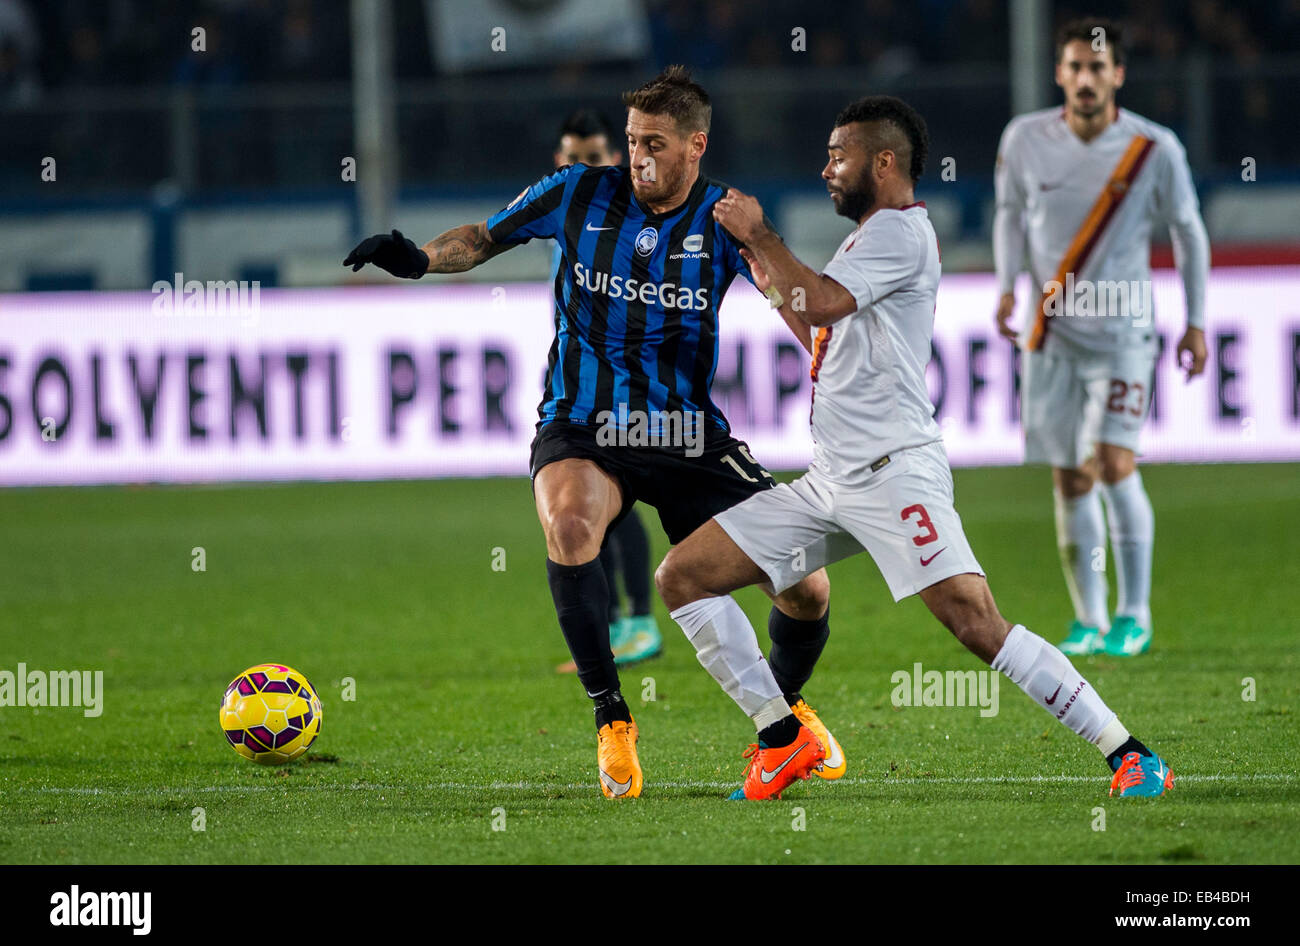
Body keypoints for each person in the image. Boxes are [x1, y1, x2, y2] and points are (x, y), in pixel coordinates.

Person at [655, 94, 1175, 802]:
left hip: (894, 474)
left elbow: (828, 302)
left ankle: (1130, 752)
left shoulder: (900, 231)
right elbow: (822, 331)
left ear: (885, 161)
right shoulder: (865, 239)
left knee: (974, 621)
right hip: (830, 479)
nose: (826, 169)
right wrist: (765, 270)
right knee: (683, 575)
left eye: (838, 156)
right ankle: (781, 737)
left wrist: (763, 232)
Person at [344, 66, 838, 799]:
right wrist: (419, 258)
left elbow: (793, 303)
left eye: (655, 144)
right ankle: (612, 719)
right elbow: (482, 237)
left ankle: (782, 711)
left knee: (805, 587)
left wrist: (826, 358)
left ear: (696, 145)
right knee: (571, 524)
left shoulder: (726, 220)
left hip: (685, 432)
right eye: (632, 141)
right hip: (583, 421)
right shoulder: (579, 190)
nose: (636, 158)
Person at [993, 17, 1210, 657]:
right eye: (1075, 68)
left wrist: (1196, 320)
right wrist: (1008, 287)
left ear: (1118, 74)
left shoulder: (1153, 147)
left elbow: (1189, 231)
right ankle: (1088, 619)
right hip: (1053, 334)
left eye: (1098, 68)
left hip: (1124, 334)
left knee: (1114, 463)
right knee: (1069, 477)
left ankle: (1134, 613)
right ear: (1060, 73)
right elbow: (1008, 216)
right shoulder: (1025, 139)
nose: (1086, 79)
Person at [548, 108, 663, 671]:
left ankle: (638, 622)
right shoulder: (564, 210)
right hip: (581, 389)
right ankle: (625, 622)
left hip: (623, 392)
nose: (582, 168)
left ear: (615, 161)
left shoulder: (627, 223)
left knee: (616, 509)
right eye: (573, 159)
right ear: (559, 163)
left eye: (594, 159)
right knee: (600, 513)